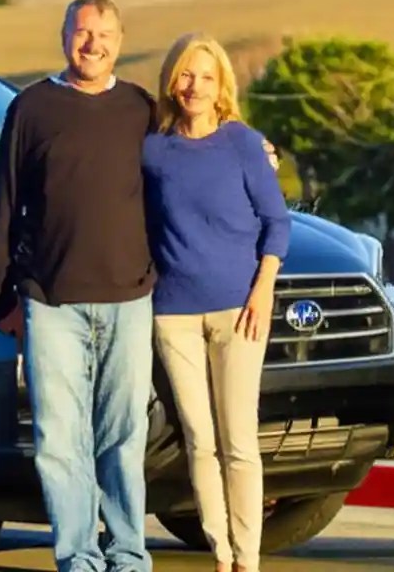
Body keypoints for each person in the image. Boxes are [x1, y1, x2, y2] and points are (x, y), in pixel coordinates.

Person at [0, 0, 157, 572]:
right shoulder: (32, 108)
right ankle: (78, 558)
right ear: (64, 37)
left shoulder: (141, 110)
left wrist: (257, 151)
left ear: (120, 41)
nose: (93, 43)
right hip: (51, 303)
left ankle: (128, 555)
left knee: (123, 437)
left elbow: (192, 162)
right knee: (60, 444)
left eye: (104, 33)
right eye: (83, 32)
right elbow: (3, 204)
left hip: (130, 298)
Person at [140, 32, 290, 572]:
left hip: (240, 311)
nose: (194, 86)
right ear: (171, 81)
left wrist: (263, 292)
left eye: (205, 76)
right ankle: (221, 555)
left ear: (221, 83)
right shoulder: (153, 148)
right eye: (185, 74)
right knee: (200, 441)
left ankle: (248, 559)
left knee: (239, 441)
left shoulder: (243, 144)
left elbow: (277, 222)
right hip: (173, 313)